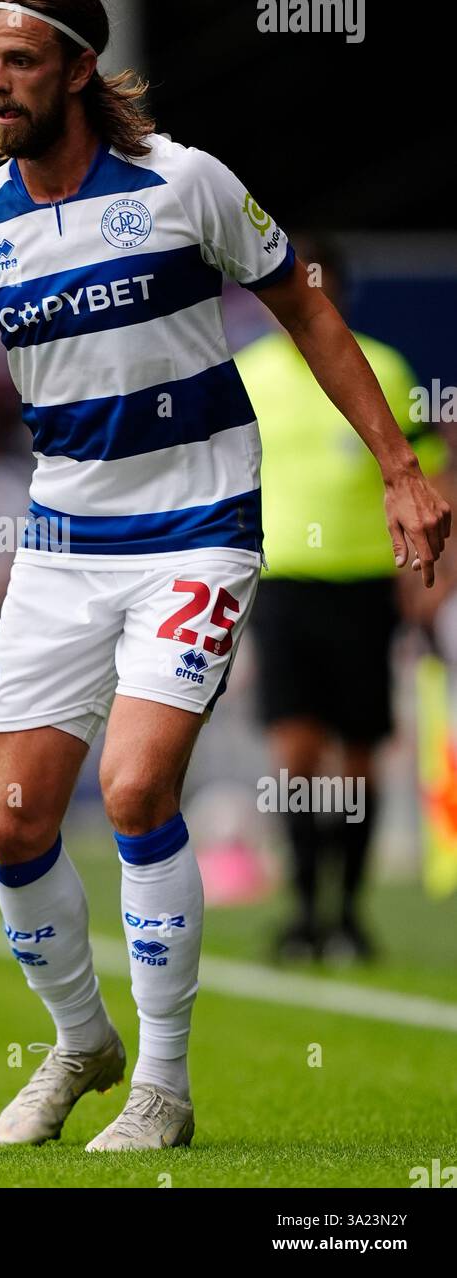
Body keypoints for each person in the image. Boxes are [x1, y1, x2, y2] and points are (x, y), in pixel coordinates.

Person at [0, 0, 450, 1152]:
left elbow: (309, 309)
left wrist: (398, 466)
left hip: (200, 529)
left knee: (133, 787)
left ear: (73, 66)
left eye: (18, 61)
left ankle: (162, 1086)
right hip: (63, 545)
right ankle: (82, 1041)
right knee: (13, 823)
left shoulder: (184, 185)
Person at [238, 239, 449, 964]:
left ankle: (350, 915)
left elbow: (430, 475)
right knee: (295, 751)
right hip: (283, 585)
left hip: (364, 583)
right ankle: (301, 912)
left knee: (360, 756)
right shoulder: (246, 376)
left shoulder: (381, 369)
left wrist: (434, 580)